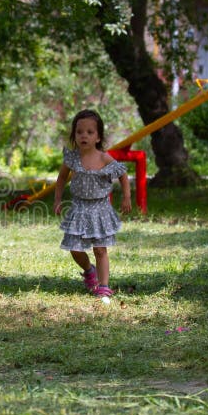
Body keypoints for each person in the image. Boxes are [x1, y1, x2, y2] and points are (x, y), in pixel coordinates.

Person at [53, 109, 131, 298]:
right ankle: (89, 271)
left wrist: (127, 197)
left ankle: (103, 286)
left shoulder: (104, 158)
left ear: (98, 137)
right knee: (75, 248)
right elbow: (62, 178)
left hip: (100, 209)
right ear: (74, 135)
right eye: (79, 132)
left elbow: (122, 175)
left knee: (100, 249)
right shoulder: (72, 158)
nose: (84, 136)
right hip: (79, 207)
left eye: (89, 132)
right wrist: (57, 199)